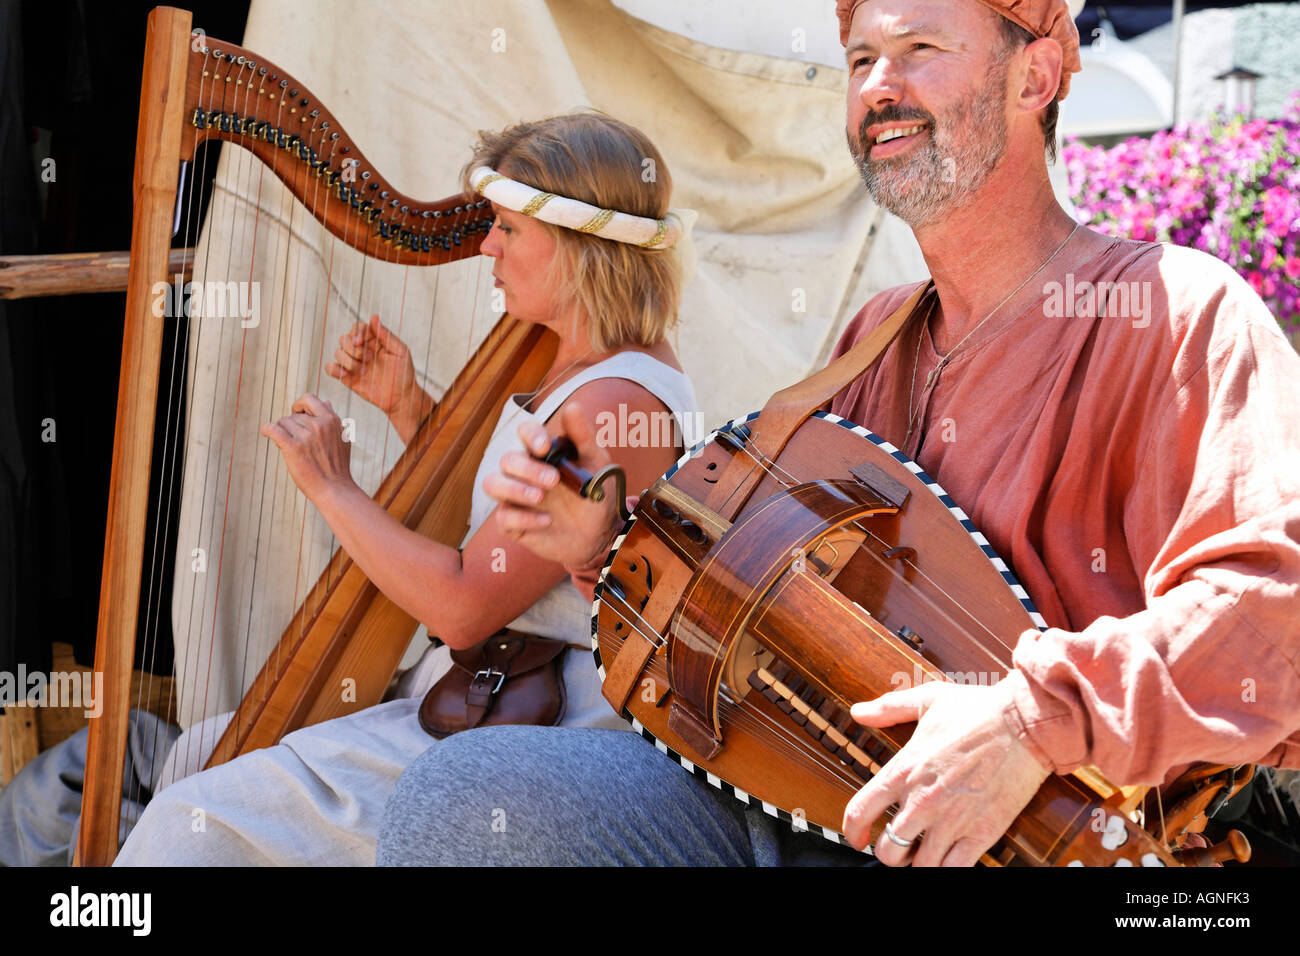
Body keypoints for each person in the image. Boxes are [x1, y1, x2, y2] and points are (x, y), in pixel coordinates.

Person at [376, 0, 1300, 867]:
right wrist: (603, 549)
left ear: (1036, 76)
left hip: (1041, 835)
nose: (876, 86)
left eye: (919, 50)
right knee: (461, 795)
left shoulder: (1174, 309)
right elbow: (780, 598)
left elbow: (1273, 612)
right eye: (861, 59)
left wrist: (1030, 721)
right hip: (818, 796)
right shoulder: (877, 336)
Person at [0, 111, 700, 866]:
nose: (487, 247)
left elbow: (465, 607)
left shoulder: (611, 404)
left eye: (507, 230)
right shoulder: (581, 358)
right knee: (199, 751)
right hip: (483, 692)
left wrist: (333, 487)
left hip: (527, 732)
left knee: (186, 819)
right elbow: (512, 532)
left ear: (575, 245)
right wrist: (410, 410)